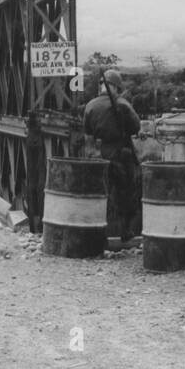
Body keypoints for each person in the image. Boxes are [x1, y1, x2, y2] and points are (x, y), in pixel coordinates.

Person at [81, 68, 142, 245]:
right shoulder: (122, 104)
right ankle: (125, 230)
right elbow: (136, 127)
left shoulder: (90, 106)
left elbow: (88, 132)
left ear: (101, 85)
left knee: (101, 193)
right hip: (122, 153)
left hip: (102, 154)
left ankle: (97, 232)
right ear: (115, 86)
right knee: (126, 192)